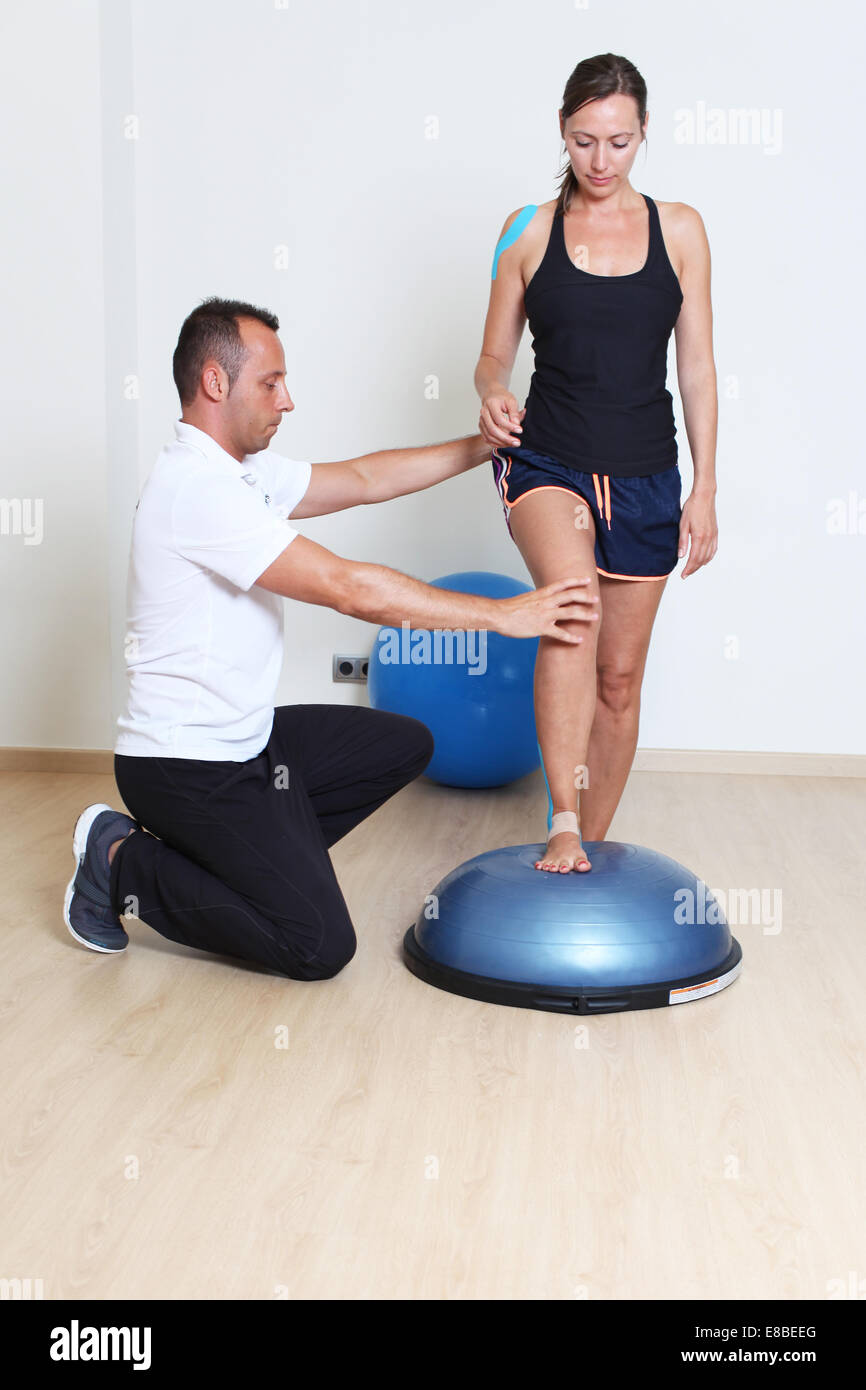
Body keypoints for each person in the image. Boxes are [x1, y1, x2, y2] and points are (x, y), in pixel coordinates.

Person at [63, 298, 597, 978]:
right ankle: (118, 859)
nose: (288, 400)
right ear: (215, 383)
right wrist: (502, 615)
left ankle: (253, 861)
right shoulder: (196, 490)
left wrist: (485, 447)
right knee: (317, 946)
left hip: (247, 744)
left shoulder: (242, 472)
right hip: (184, 768)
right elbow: (349, 589)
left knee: (403, 743)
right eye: (271, 382)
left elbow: (367, 479)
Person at [475, 53, 718, 875]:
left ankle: (595, 849)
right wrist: (491, 394)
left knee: (619, 679)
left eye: (619, 141)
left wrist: (706, 487)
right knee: (571, 610)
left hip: (649, 475)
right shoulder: (526, 230)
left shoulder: (680, 229)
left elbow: (697, 368)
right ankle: (565, 822)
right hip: (548, 460)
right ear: (563, 132)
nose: (602, 161)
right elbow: (490, 360)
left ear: (643, 133)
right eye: (585, 141)